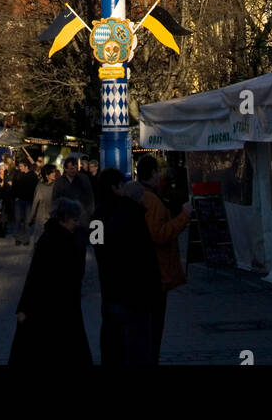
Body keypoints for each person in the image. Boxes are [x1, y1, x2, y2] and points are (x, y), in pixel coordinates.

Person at [8, 199, 93, 367]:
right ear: (63, 219)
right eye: (73, 220)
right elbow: (35, 276)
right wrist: (24, 308)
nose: (76, 224)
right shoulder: (49, 240)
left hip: (67, 305)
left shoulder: (72, 238)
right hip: (49, 306)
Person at [93, 168, 163, 366]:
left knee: (112, 344)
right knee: (135, 346)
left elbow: (97, 247)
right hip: (133, 293)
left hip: (109, 290)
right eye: (121, 185)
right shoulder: (127, 213)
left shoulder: (98, 214)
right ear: (115, 187)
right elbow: (144, 256)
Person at [137, 154, 192, 363]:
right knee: (154, 327)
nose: (160, 176)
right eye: (158, 172)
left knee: (148, 327)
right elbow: (158, 234)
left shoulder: (145, 195)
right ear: (152, 174)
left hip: (149, 272)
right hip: (157, 272)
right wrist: (183, 217)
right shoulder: (151, 200)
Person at [52, 155, 94, 273]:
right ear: (65, 169)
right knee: (66, 249)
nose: (73, 170)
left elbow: (90, 197)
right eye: (71, 168)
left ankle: (79, 272)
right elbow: (55, 199)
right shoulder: (59, 182)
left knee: (80, 248)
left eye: (75, 168)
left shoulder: (83, 179)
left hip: (81, 219)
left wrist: (90, 212)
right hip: (65, 220)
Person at [12, 161, 38, 246]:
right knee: (18, 219)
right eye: (19, 166)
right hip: (19, 201)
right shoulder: (18, 175)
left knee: (27, 221)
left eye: (21, 166)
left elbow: (36, 189)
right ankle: (18, 238)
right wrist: (14, 197)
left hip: (29, 201)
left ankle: (26, 239)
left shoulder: (33, 176)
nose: (20, 168)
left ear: (26, 166)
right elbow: (14, 186)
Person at [29, 165, 58, 236]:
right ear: (46, 174)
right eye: (52, 172)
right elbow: (35, 203)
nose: (54, 174)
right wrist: (31, 218)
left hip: (54, 218)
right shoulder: (40, 187)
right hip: (41, 220)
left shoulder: (57, 186)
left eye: (54, 172)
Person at [0, 165, 14, 238]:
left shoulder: (7, 178)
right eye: (0, 169)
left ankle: (3, 231)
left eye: (3, 170)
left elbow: (9, 188)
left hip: (5, 199)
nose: (1, 171)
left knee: (4, 216)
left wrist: (6, 185)